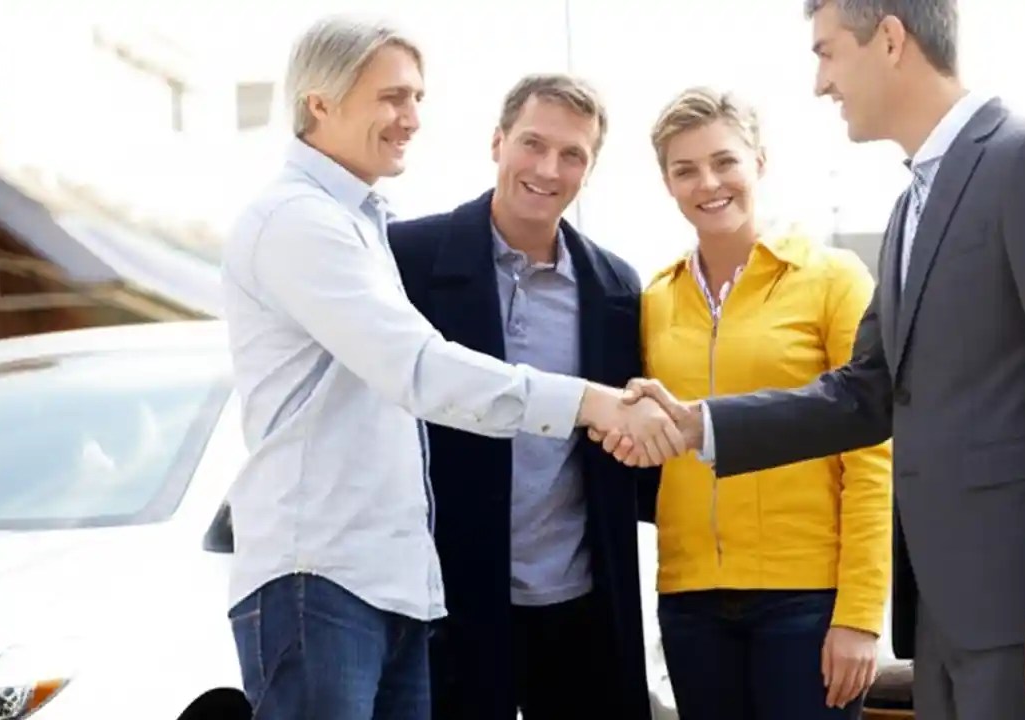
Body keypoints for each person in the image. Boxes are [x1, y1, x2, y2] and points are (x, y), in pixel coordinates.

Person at [607, 1, 1025, 718]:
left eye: (827, 53)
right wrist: (696, 427)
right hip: (951, 615)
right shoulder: (911, 208)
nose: (820, 83)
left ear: (890, 39)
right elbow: (863, 395)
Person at [219, 17, 681, 720]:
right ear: (320, 103)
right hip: (323, 579)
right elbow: (421, 369)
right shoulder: (298, 223)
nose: (410, 120)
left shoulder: (358, 225)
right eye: (392, 98)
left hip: (394, 585)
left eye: (416, 100)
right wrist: (595, 403)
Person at [387, 74, 656, 720]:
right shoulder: (407, 260)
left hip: (581, 602)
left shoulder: (614, 287)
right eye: (532, 144)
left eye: (572, 155)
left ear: (590, 170)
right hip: (447, 598)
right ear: (497, 142)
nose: (547, 168)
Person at [635, 86, 893, 720]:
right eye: (685, 169)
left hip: (805, 600)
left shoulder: (833, 279)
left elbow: (872, 457)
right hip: (690, 598)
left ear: (760, 162)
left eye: (725, 161)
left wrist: (859, 615)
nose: (709, 182)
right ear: (666, 182)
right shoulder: (655, 299)